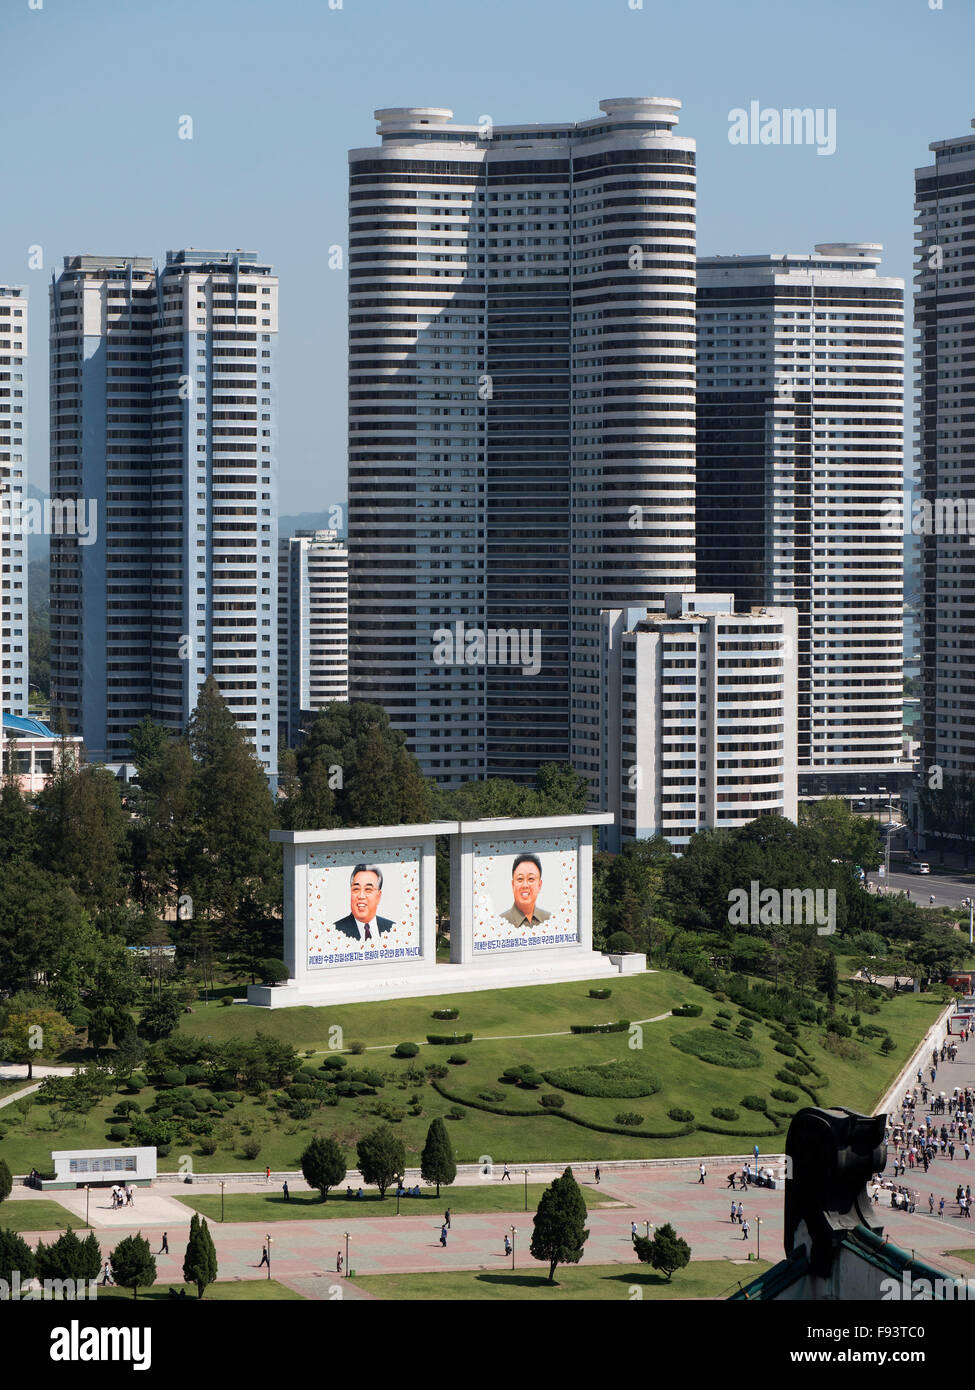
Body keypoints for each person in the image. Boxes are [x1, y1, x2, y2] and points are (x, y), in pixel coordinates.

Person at [334, 864, 396, 943]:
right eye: (356, 889)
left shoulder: (392, 929)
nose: (361, 896)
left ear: (379, 896)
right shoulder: (335, 931)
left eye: (368, 889)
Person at [500, 853, 552, 929]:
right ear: (513, 885)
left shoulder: (550, 920)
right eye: (520, 879)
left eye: (531, 879)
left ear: (539, 885)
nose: (525, 885)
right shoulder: (500, 923)